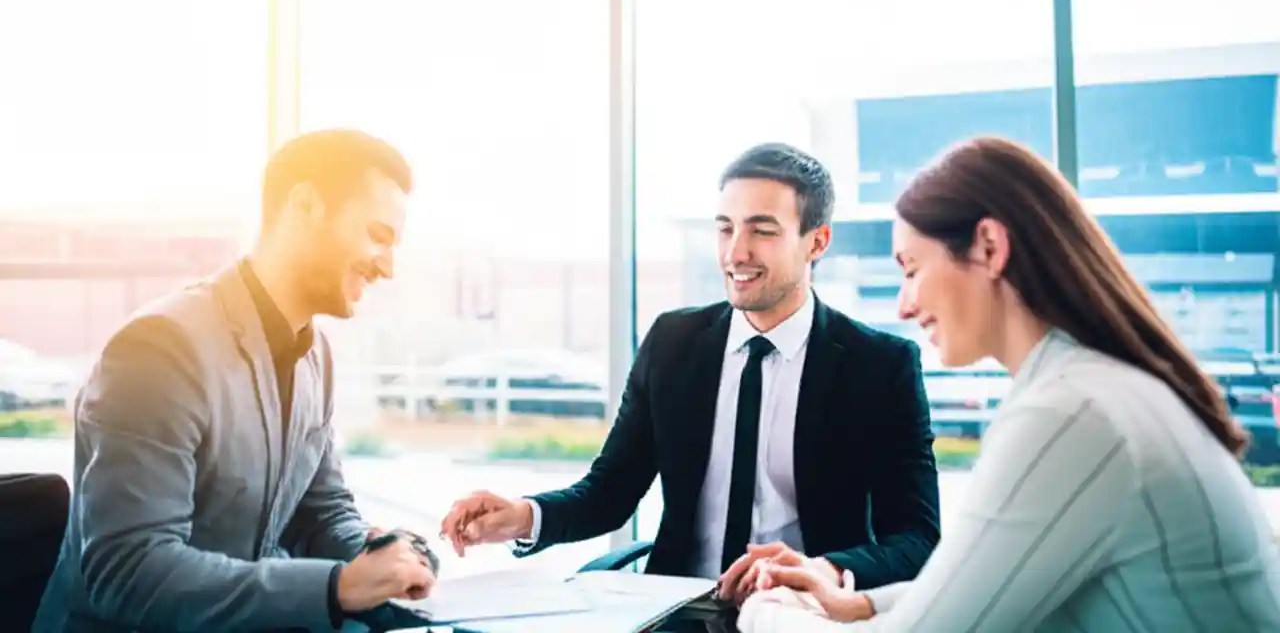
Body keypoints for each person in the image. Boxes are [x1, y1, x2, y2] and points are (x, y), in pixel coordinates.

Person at [739, 137, 1280, 632]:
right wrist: (857, 603)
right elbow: (983, 575)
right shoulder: (1097, 386)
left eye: (911, 269)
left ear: (989, 247)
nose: (904, 306)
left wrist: (765, 613)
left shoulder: (1072, 415)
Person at [442, 143, 940, 600]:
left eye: (762, 231)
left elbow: (916, 538)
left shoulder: (878, 365)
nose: (735, 252)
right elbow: (611, 490)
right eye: (725, 228)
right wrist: (522, 517)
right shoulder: (673, 343)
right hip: (680, 609)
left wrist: (824, 570)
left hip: (806, 613)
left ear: (817, 242)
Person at [34, 130, 437, 632]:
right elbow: (128, 570)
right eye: (378, 235)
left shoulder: (316, 356)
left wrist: (380, 555)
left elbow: (322, 510)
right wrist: (338, 587)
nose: (388, 267)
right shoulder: (161, 349)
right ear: (305, 207)